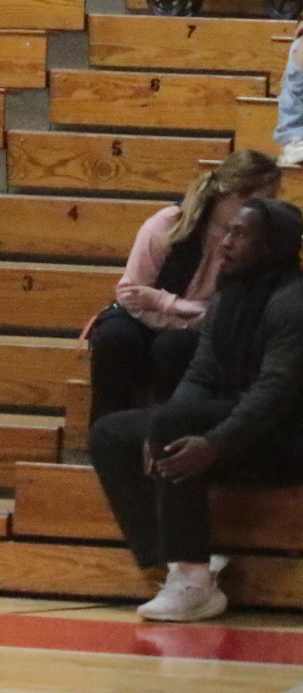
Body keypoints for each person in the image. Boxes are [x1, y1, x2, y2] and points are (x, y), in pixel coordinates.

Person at [90, 197, 303, 623]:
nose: (225, 244)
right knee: (111, 433)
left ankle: (191, 581)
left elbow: (275, 393)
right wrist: (162, 431)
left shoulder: (293, 301)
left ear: (272, 247)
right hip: (243, 430)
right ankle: (182, 565)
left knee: (175, 420)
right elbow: (202, 374)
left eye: (241, 235)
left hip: (287, 436)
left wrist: (213, 444)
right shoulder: (228, 299)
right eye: (227, 232)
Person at [86, 150, 280, 429]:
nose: (264, 214)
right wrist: (180, 313)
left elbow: (229, 312)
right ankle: (103, 431)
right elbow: (130, 295)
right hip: (145, 318)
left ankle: (167, 434)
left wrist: (163, 302)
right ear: (228, 195)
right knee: (114, 337)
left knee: (174, 347)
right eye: (255, 203)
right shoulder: (167, 224)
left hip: (201, 329)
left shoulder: (257, 246)